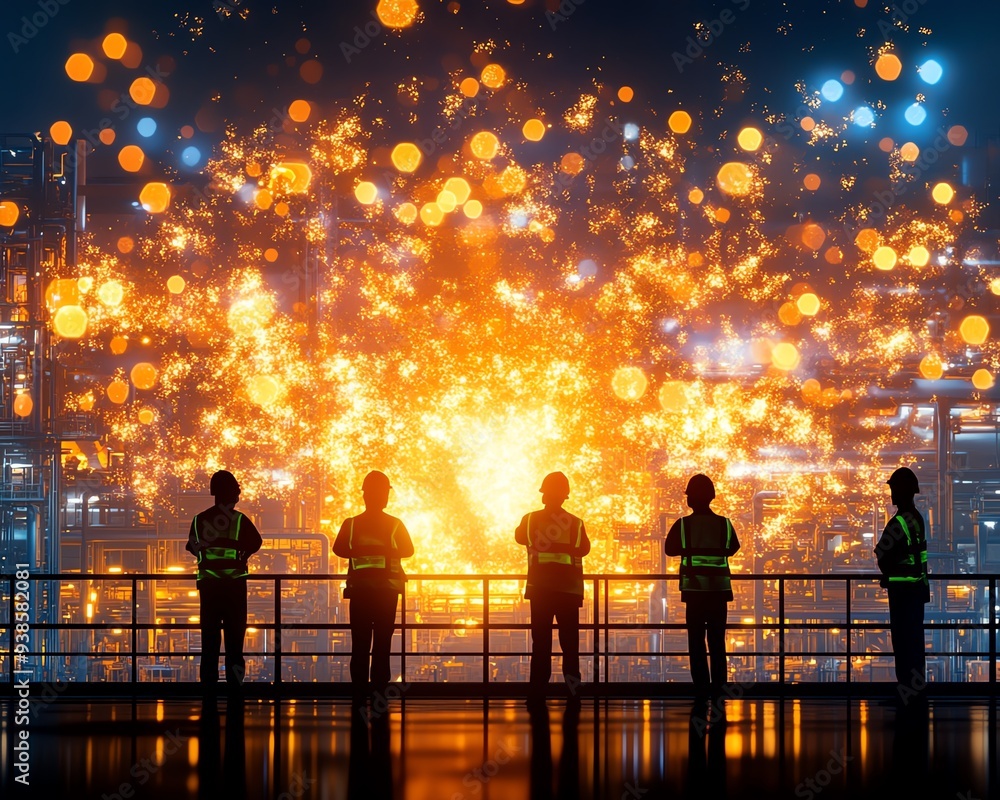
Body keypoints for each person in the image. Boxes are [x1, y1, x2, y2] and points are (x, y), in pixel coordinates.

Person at [333, 471, 414, 704]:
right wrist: (387, 551)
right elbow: (408, 550)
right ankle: (379, 690)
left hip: (359, 592)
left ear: (365, 495)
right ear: (384, 496)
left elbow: (339, 549)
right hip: (386, 592)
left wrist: (360, 552)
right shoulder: (394, 525)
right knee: (382, 643)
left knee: (359, 643)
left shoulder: (351, 524)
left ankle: (358, 691)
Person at [515, 471, 591, 704]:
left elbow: (519, 538)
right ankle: (573, 691)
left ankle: (537, 691)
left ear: (543, 495)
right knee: (570, 645)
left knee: (541, 643)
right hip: (568, 592)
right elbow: (584, 549)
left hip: (541, 590)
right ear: (566, 496)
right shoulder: (576, 523)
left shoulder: (530, 521)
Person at [664, 474, 740, 701]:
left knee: (696, 641)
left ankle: (701, 689)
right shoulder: (724, 524)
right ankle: (719, 688)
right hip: (718, 590)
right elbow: (733, 548)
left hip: (694, 591)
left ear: (691, 499)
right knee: (717, 641)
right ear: (711, 497)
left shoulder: (683, 525)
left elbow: (669, 549)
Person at [187, 470, 262, 694]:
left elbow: (191, 546)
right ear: (231, 493)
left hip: (209, 588)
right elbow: (256, 542)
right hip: (234, 588)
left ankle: (208, 690)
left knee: (209, 643)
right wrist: (243, 556)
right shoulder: (239, 520)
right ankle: (235, 689)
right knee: (234, 644)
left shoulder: (199, 520)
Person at [875, 466, 929, 703]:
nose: (891, 493)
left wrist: (888, 574)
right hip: (917, 589)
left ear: (903, 491)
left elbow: (882, 552)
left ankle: (905, 689)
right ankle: (914, 689)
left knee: (903, 641)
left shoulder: (899, 522)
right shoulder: (917, 518)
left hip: (902, 591)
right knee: (914, 641)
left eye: (894, 488)